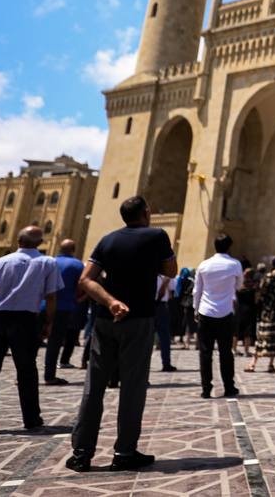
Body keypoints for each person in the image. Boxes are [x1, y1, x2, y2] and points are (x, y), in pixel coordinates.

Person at [67, 196, 176, 473]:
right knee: (132, 387)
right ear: (146, 213)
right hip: (138, 319)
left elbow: (86, 279)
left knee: (94, 386)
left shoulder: (107, 240)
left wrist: (111, 302)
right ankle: (124, 452)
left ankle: (81, 453)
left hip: (105, 320)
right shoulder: (157, 235)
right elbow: (170, 270)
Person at [0, 226, 59, 434]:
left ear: (18, 241)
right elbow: (51, 298)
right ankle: (31, 418)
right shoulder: (47, 262)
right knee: (27, 370)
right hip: (25, 320)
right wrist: (49, 323)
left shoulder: (0, 262)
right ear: (40, 243)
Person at [193, 234, 243, 398]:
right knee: (226, 352)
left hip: (205, 312)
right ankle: (229, 387)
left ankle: (206, 388)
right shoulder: (235, 265)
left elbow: (197, 290)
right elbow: (239, 285)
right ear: (229, 247)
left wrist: (195, 309)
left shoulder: (204, 265)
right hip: (225, 313)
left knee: (205, 352)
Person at [39, 239, 85, 385]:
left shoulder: (47, 261)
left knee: (32, 342)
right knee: (54, 342)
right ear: (73, 249)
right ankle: (49, 375)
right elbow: (81, 285)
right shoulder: (77, 264)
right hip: (63, 308)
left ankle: (21, 376)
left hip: (41, 305)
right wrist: (81, 298)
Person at [246, 255, 275, 373]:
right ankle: (271, 364)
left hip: (268, 312)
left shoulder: (268, 277)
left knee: (262, 338)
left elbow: (261, 291)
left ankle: (253, 363)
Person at [153, 273, 175, 373]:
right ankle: (166, 363)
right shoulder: (165, 275)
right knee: (164, 337)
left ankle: (143, 368)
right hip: (161, 306)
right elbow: (171, 291)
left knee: (146, 339)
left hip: (147, 306)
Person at [235, 268, 258, 358]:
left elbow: (235, 298)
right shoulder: (254, 286)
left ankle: (234, 349)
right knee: (247, 332)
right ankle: (246, 351)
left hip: (239, 309)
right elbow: (256, 300)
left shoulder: (239, 285)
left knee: (236, 331)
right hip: (249, 310)